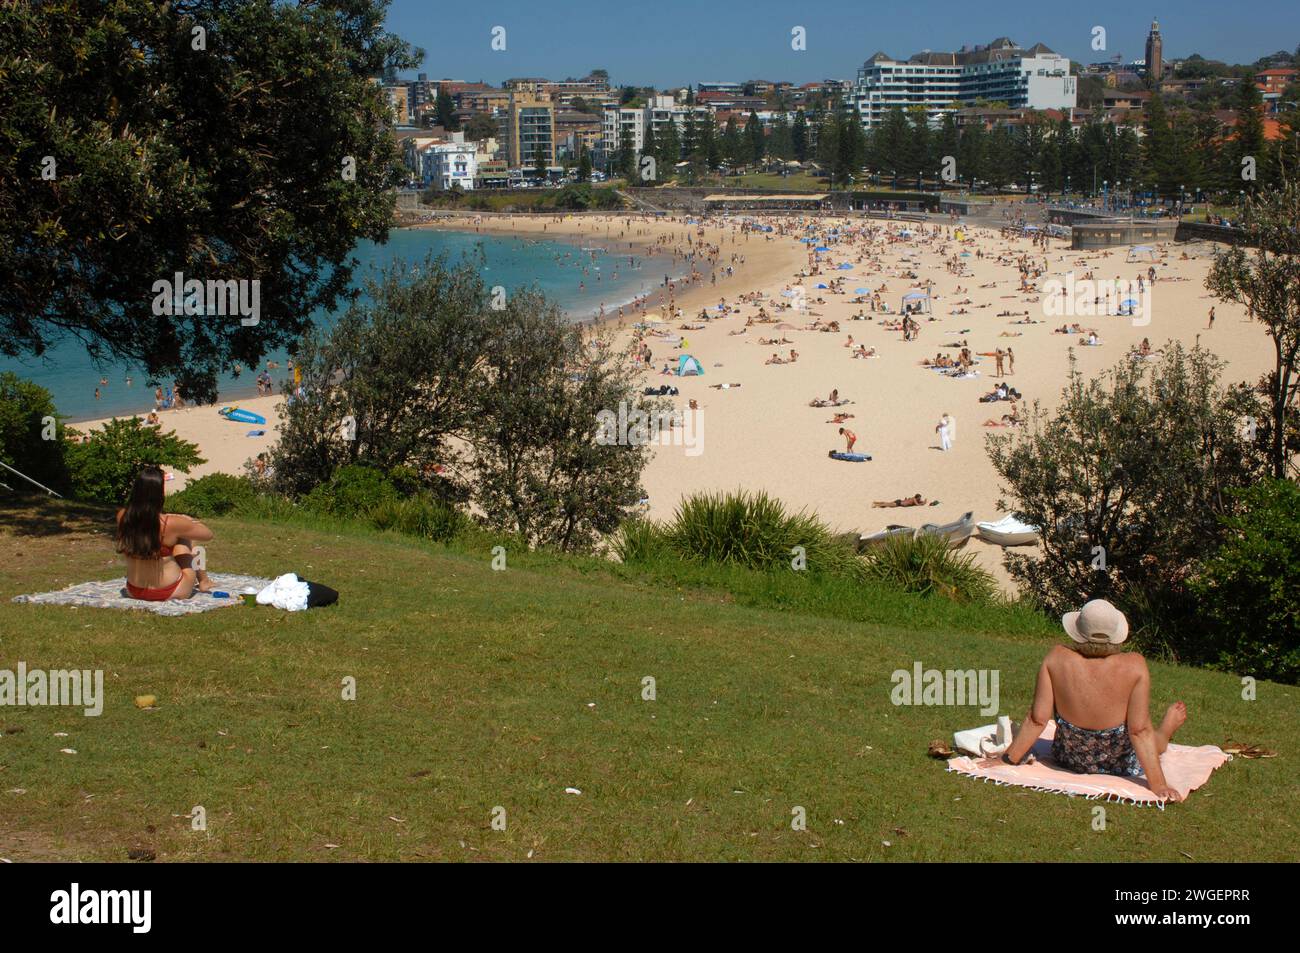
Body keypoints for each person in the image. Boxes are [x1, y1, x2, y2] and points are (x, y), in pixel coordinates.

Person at [981, 599, 1187, 802]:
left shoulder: (1056, 658)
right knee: (1148, 731)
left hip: (1070, 759)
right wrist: (1159, 784)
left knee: (1144, 729)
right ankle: (1165, 733)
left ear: (1078, 631)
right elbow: (1138, 730)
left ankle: (1164, 731)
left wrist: (1008, 759)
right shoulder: (1134, 665)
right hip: (1121, 763)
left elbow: (1037, 720)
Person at [115, 466, 215, 601]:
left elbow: (148, 525)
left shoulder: (123, 516)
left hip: (134, 590)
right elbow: (208, 535)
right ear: (159, 494)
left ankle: (204, 581)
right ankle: (204, 581)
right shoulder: (171, 523)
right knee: (185, 541)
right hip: (172, 590)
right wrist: (188, 521)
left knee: (173, 540)